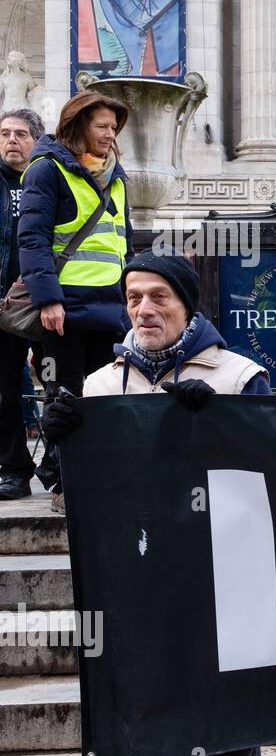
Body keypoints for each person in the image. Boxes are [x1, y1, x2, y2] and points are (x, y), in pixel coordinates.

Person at [39, 252, 271, 756]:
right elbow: (77, 497)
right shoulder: (97, 386)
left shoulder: (240, 377)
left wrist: (220, 429)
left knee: (232, 733)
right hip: (132, 590)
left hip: (220, 590)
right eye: (132, 297)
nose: (142, 309)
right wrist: (60, 446)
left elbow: (270, 483)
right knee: (132, 737)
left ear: (187, 305)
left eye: (158, 296)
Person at [18, 92, 134, 512]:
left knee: (108, 398)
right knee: (63, 398)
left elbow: (124, 245)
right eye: (101, 126)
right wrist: (49, 300)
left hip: (110, 312)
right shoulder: (46, 170)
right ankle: (64, 483)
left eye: (113, 127)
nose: (110, 134)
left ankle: (101, 475)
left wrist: (131, 302)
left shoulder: (115, 175)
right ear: (78, 124)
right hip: (64, 312)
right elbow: (31, 240)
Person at [0, 108, 42, 500]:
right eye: (5, 134)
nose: (12, 140)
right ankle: (14, 470)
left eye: (21, 134)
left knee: (66, 385)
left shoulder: (47, 178)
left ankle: (58, 468)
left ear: (36, 139)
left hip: (47, 302)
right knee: (6, 391)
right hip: (4, 308)